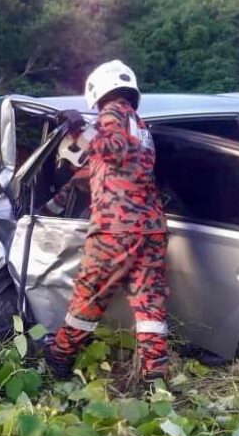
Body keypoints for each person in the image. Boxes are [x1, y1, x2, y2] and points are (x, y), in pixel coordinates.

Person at [42, 60, 170, 383]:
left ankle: (59, 356)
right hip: (151, 228)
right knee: (149, 305)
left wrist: (77, 128)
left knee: (89, 298)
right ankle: (155, 378)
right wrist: (55, 203)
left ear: (98, 91)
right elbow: (97, 171)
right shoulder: (140, 126)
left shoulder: (113, 112)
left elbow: (111, 149)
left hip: (116, 230)